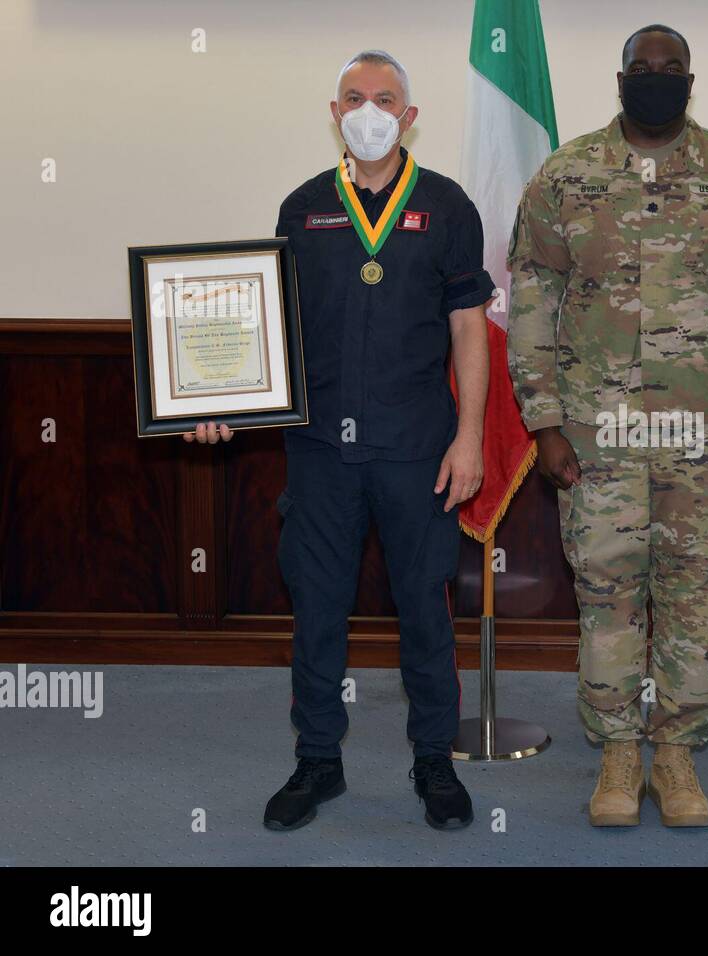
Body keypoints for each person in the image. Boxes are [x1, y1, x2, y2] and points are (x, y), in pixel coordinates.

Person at [187, 49, 493, 832]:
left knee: (425, 610)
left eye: (385, 98)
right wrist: (223, 401)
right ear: (334, 113)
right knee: (317, 609)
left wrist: (469, 439)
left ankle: (433, 761)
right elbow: (270, 334)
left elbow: (468, 330)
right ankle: (318, 760)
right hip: (320, 447)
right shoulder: (301, 209)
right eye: (354, 98)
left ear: (409, 116)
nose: (369, 110)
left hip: (418, 449)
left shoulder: (450, 207)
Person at [507, 24, 708, 828]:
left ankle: (675, 751)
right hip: (597, 434)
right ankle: (618, 748)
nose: (656, 79)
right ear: (621, 77)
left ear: (689, 81)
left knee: (697, 594)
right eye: (643, 68)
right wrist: (544, 424)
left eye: (671, 69)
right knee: (606, 592)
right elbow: (532, 299)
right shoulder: (568, 176)